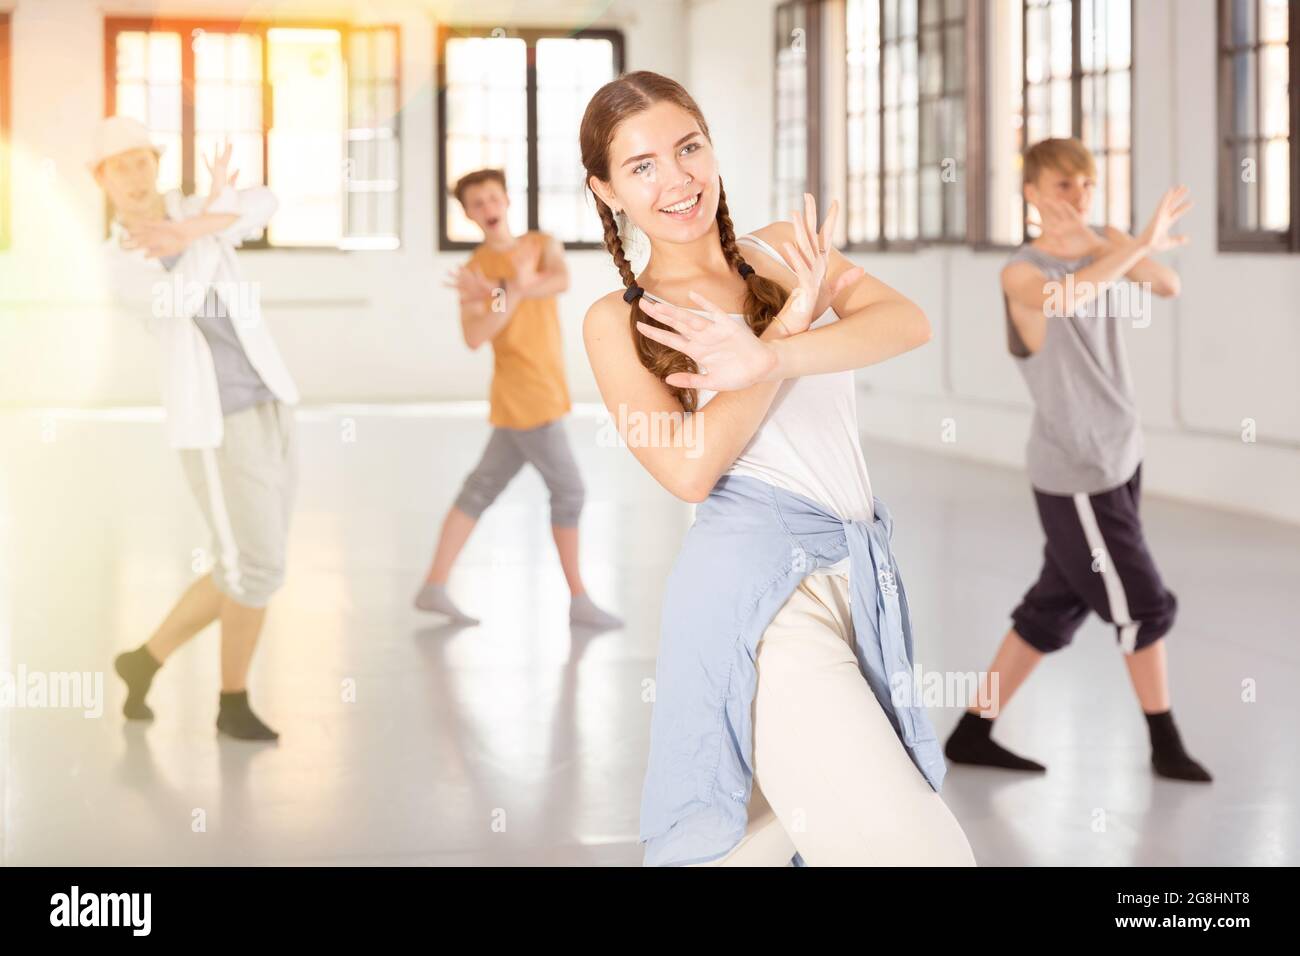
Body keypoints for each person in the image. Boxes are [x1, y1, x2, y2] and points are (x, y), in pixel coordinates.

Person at [579, 71, 975, 866]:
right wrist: (777, 347)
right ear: (608, 190)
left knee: (755, 840)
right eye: (642, 165)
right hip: (761, 604)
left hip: (855, 578)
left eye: (688, 147)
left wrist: (772, 348)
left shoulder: (783, 250)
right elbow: (689, 471)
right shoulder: (617, 323)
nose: (677, 178)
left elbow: (905, 322)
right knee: (920, 853)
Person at [943, 137, 1211, 782]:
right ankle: (1165, 744)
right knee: (1144, 606)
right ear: (1032, 194)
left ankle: (972, 732)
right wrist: (1132, 243)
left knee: (1053, 605)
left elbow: (1167, 285)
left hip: (1122, 455)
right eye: (1064, 185)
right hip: (1076, 474)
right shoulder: (1019, 272)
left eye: (1086, 185)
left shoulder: (1108, 245)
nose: (1079, 197)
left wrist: (1124, 243)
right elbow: (1068, 298)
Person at [95, 117, 297, 741]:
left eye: (140, 160)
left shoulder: (189, 209)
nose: (131, 175)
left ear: (156, 162)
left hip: (271, 399)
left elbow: (264, 203)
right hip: (215, 423)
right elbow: (175, 300)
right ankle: (230, 701)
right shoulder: (116, 258)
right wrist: (211, 225)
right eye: (116, 166)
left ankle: (144, 660)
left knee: (249, 561)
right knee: (256, 566)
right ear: (100, 180)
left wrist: (194, 221)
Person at [414, 169, 621, 629]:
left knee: (480, 487)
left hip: (541, 388)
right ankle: (579, 599)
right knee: (570, 490)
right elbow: (476, 335)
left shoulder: (540, 244)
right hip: (525, 395)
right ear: (468, 214)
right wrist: (503, 292)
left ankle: (433, 586)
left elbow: (559, 281)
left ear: (506, 200)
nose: (486, 208)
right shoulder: (473, 271)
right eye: (476, 204)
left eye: (492, 198)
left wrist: (501, 292)